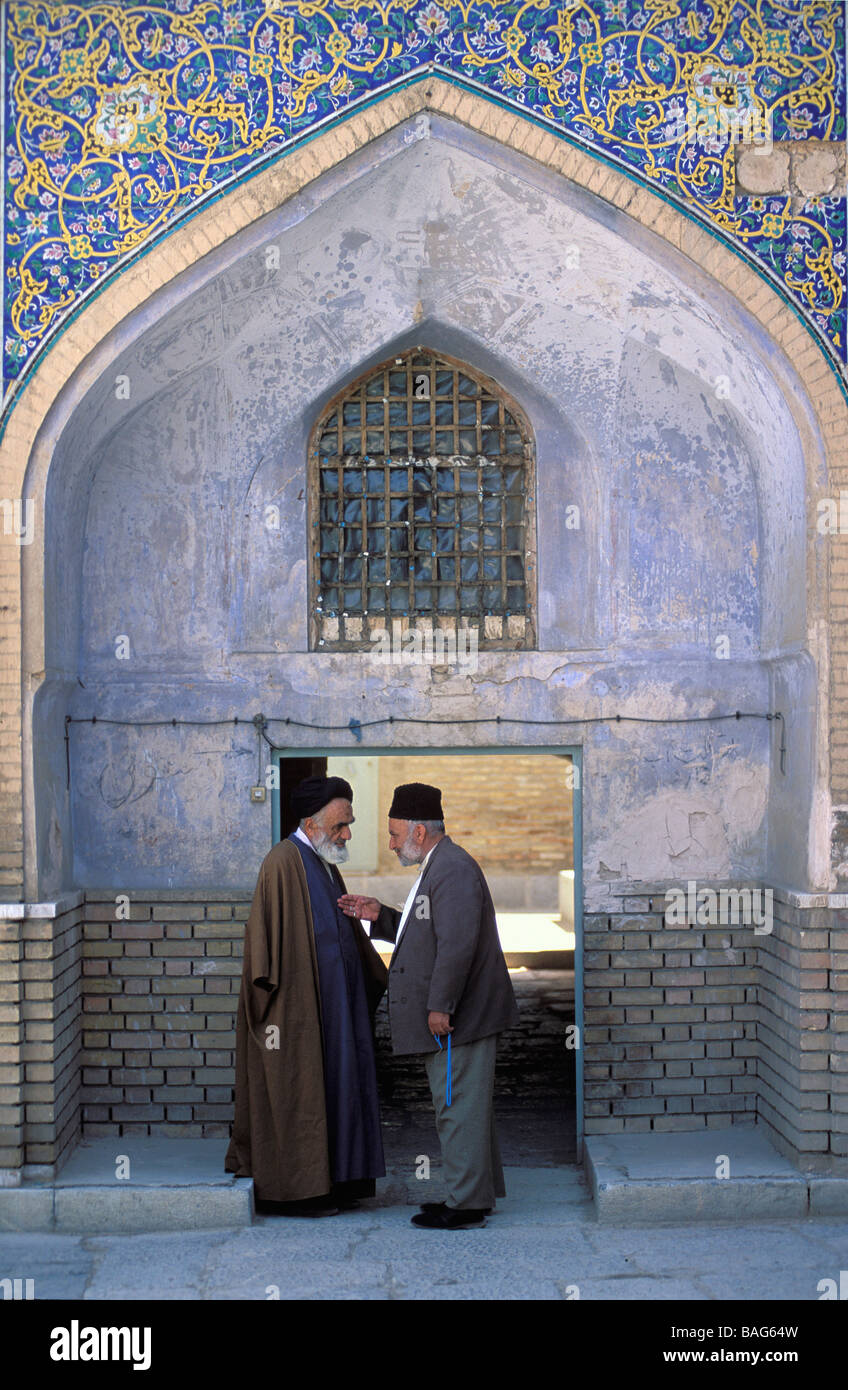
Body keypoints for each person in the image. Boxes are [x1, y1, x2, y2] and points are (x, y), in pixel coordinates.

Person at [338, 782, 519, 1229]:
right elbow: (425, 931)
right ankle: (472, 1194)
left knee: (457, 1107)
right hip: (465, 1014)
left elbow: (456, 945)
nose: (392, 843)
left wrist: (441, 1006)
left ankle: (466, 1205)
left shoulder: (452, 869)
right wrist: (378, 914)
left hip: (463, 1017)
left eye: (396, 834)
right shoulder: (441, 864)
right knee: (466, 1108)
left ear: (420, 833)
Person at [225, 775, 387, 1216]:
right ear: (311, 824)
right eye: (339, 826)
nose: (347, 834)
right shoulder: (282, 863)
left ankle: (339, 1181)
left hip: (335, 1012)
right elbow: (264, 956)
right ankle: (300, 1192)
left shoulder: (324, 861)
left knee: (339, 1093)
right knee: (303, 1093)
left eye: (348, 824)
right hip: (296, 1016)